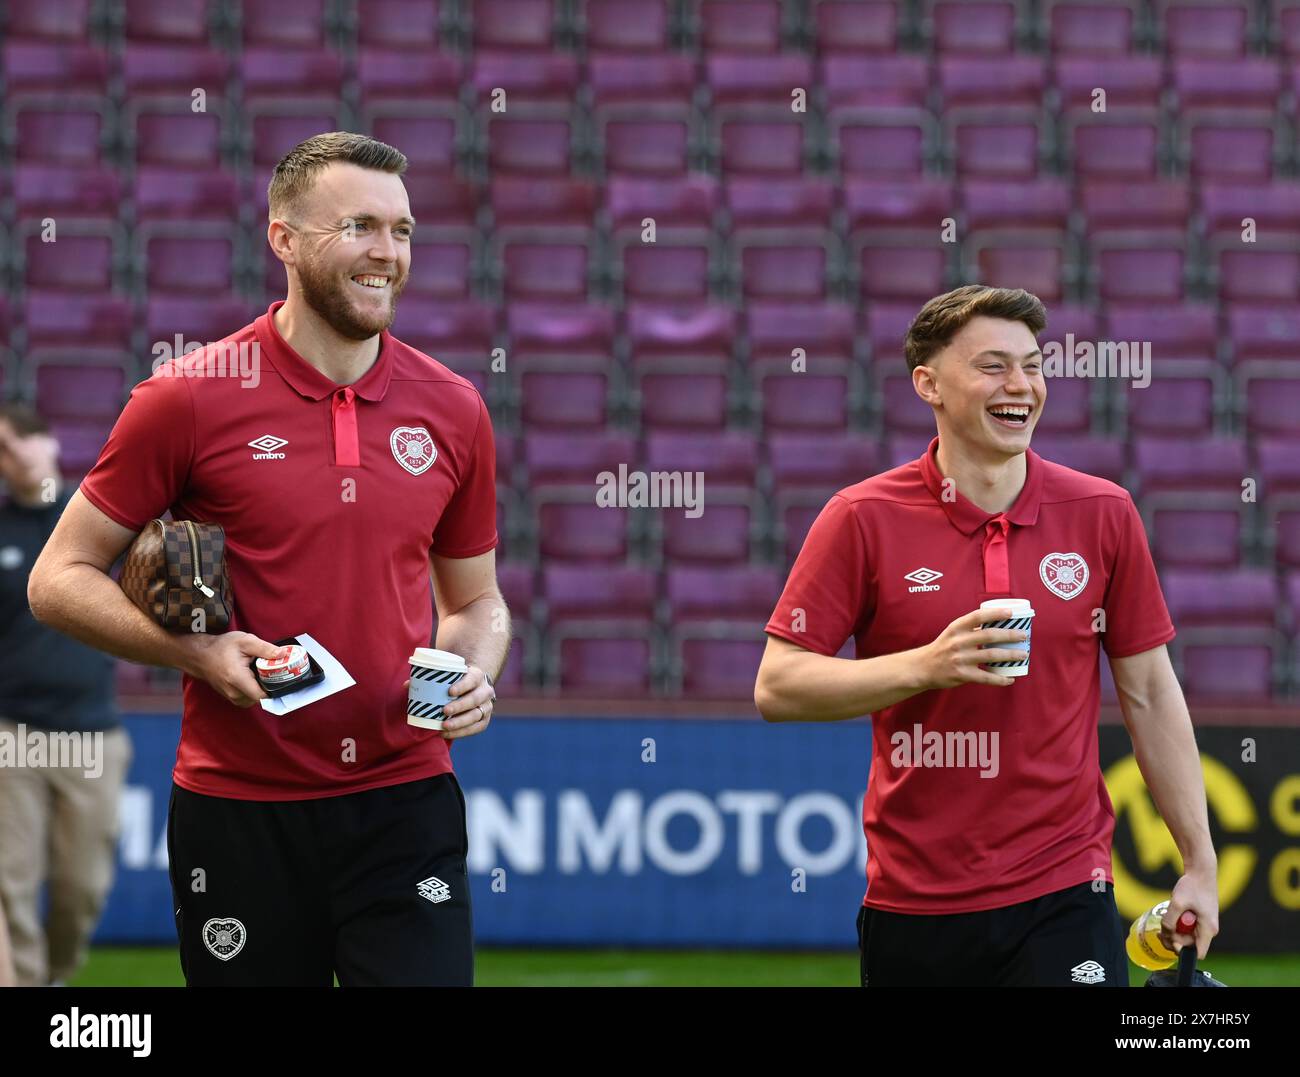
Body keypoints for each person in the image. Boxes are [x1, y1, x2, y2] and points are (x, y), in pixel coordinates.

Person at [28, 133, 509, 987]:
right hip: (238, 806)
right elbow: (57, 579)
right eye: (358, 226)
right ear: (284, 239)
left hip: (405, 798)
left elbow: (477, 601)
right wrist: (196, 651)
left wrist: (472, 668)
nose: (386, 254)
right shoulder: (185, 398)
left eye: (401, 231)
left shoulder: (455, 407)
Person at [754, 285, 1219, 987]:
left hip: (1066, 886)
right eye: (994, 366)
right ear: (929, 385)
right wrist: (928, 665)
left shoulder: (1104, 512)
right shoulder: (859, 517)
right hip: (912, 900)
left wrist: (1200, 863)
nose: (1022, 386)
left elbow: (1150, 690)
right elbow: (778, 685)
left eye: (1033, 366)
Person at [0, 404, 131, 987]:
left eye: (9, 445)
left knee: (83, 886)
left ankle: (54, 975)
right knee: (11, 881)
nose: (6, 461)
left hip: (92, 733)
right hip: (13, 735)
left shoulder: (95, 522)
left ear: (44, 441)